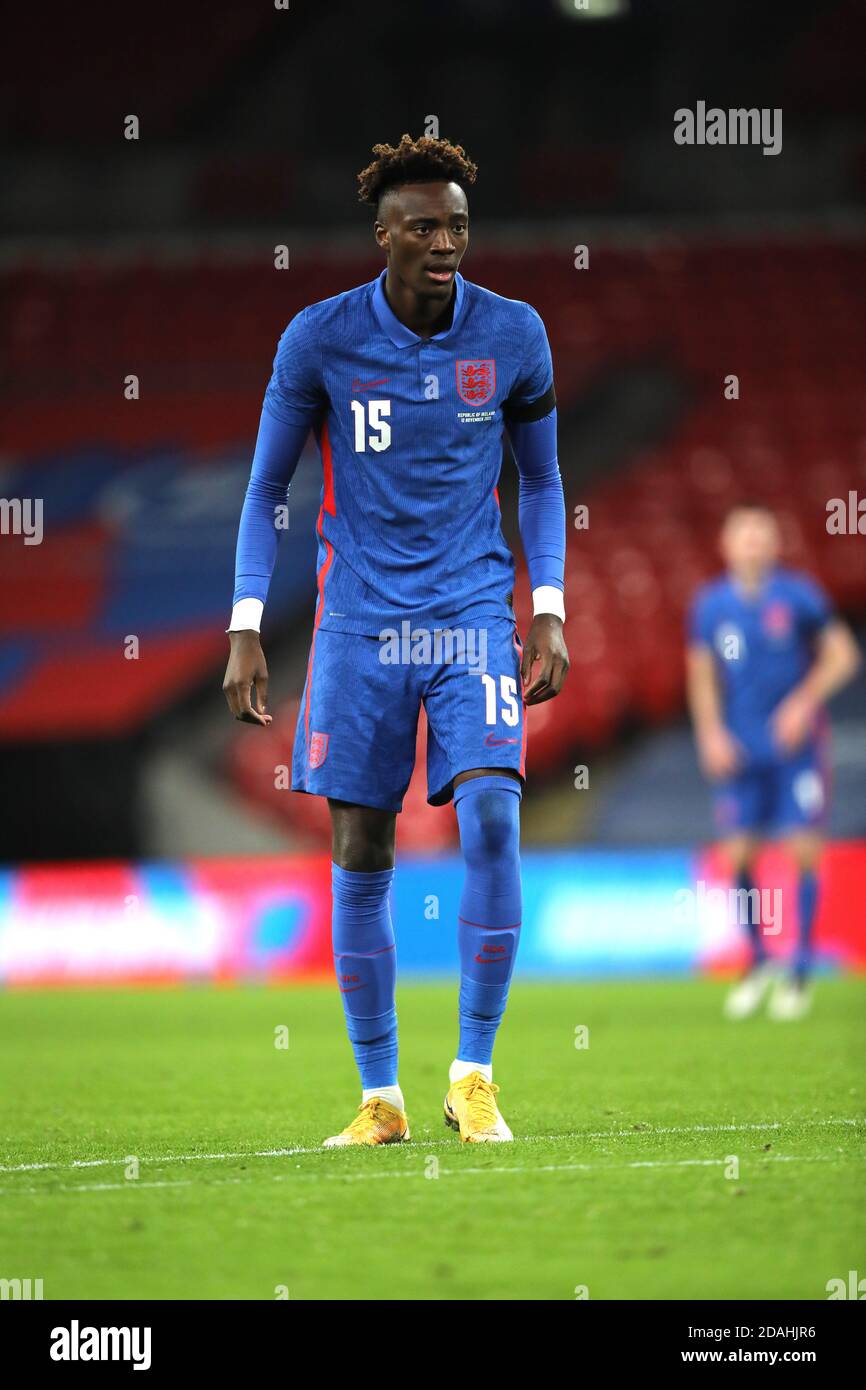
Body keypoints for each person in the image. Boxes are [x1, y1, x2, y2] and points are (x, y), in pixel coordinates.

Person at [223, 135, 568, 1142]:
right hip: (359, 624)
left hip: (468, 615)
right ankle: (381, 1096)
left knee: (494, 820)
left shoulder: (512, 335)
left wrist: (546, 601)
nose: (444, 241)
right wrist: (246, 626)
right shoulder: (318, 339)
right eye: (421, 225)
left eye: (456, 224)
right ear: (381, 237)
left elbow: (541, 481)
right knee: (359, 848)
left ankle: (473, 1073)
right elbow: (263, 490)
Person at [686, 504, 859, 1020]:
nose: (753, 545)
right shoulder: (710, 605)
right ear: (726, 544)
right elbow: (701, 675)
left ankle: (800, 969)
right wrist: (711, 734)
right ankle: (759, 961)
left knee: (803, 849)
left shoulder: (798, 594)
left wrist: (803, 703)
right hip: (740, 748)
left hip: (796, 749)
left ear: (775, 544)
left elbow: (843, 654)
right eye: (744, 536)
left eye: (762, 536)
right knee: (737, 855)